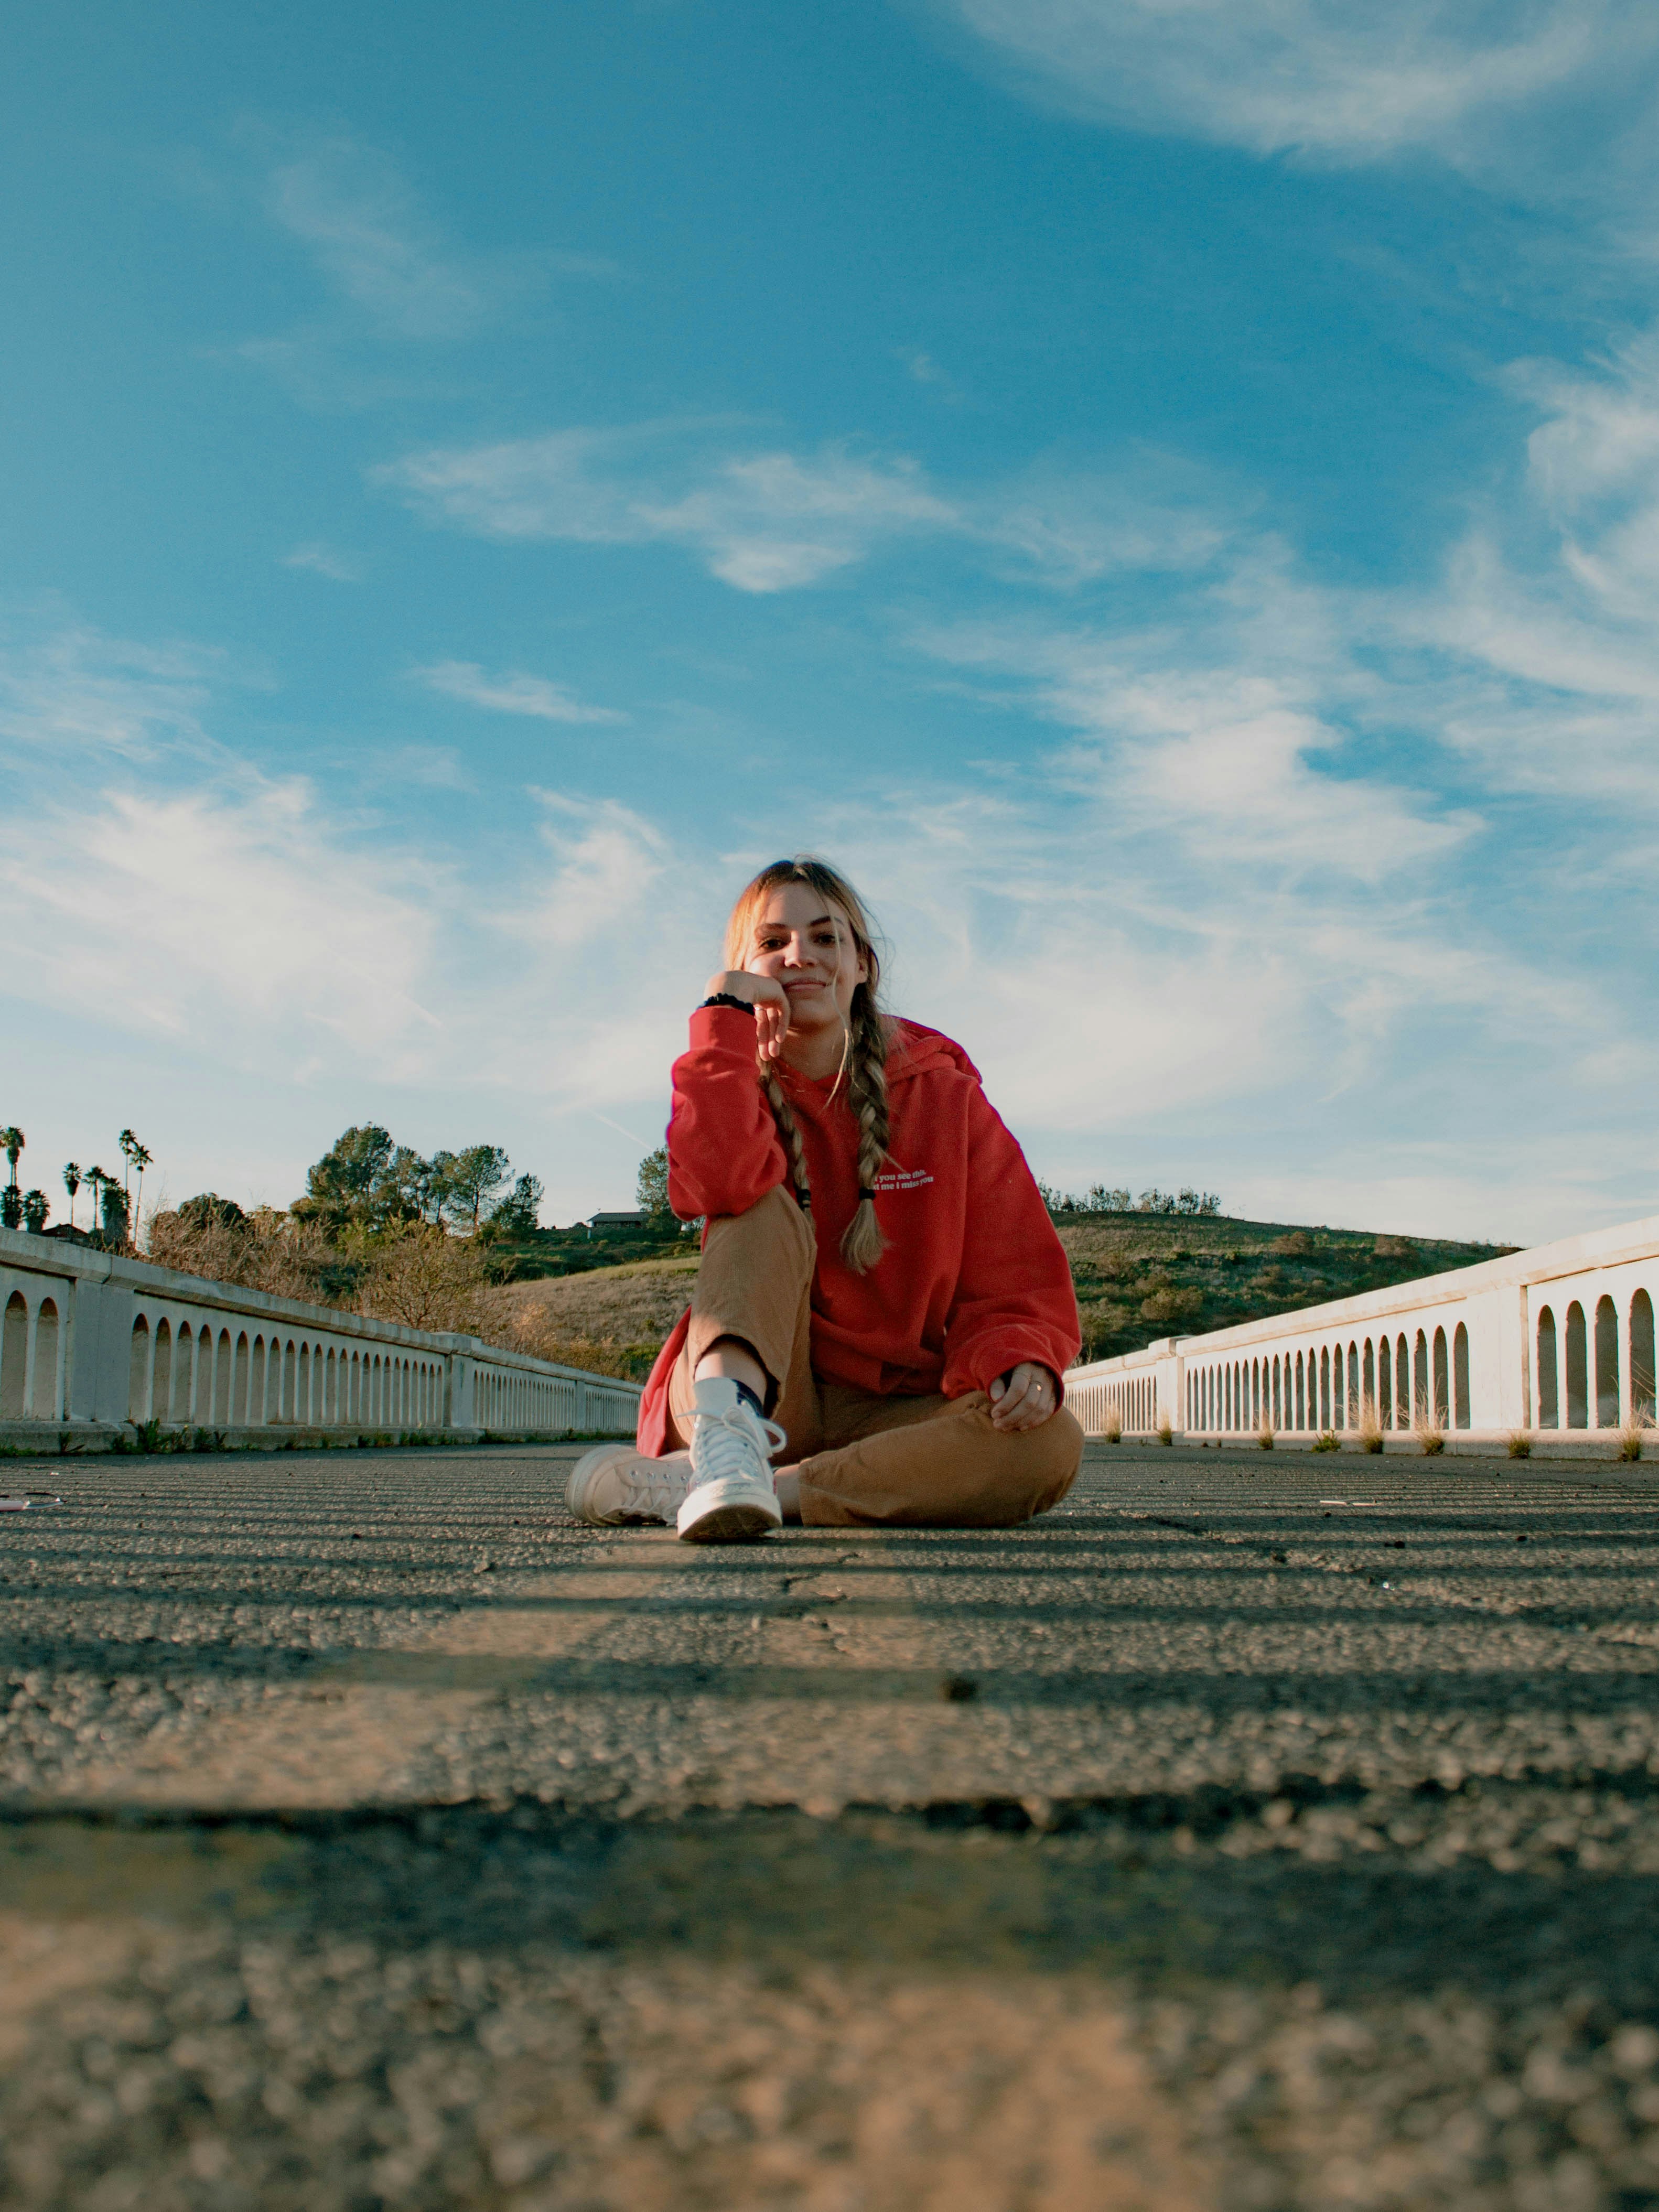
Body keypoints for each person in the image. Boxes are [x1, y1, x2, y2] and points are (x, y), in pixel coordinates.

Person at [567, 856, 1083, 1541]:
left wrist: (1017, 1354)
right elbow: (713, 1188)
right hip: (766, 1391)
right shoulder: (732, 1081)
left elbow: (1012, 1271)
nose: (799, 956)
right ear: (748, 968)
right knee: (754, 1203)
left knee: (1049, 1444)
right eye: (773, 942)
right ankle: (727, 1451)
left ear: (863, 964)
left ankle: (738, 1490)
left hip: (900, 1407)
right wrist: (724, 1014)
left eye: (824, 938)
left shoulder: (945, 1097)